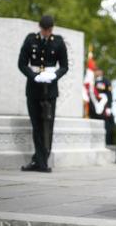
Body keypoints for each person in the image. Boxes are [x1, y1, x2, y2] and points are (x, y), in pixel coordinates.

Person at [17, 15, 68, 172]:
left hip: (50, 90)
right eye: (45, 30)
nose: (47, 32)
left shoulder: (58, 41)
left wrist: (55, 75)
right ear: (40, 27)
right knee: (36, 125)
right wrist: (34, 76)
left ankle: (41, 161)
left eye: (50, 30)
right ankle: (39, 161)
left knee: (48, 125)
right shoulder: (31, 39)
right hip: (33, 88)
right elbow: (22, 63)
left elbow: (64, 66)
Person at [93, 68, 115, 145]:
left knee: (106, 124)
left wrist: (109, 106)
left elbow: (109, 93)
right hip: (95, 106)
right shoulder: (93, 81)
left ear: (101, 72)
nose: (96, 72)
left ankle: (107, 142)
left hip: (104, 105)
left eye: (97, 70)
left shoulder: (106, 81)